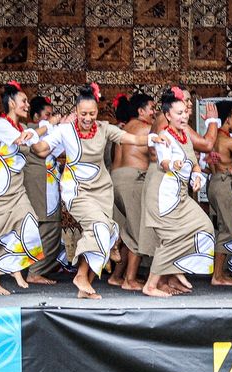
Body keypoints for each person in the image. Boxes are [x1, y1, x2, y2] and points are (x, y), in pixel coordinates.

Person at [43, 83, 166, 299]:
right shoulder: (65, 130)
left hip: (102, 191)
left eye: (92, 113)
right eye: (83, 114)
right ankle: (81, 275)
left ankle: (85, 287)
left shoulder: (104, 128)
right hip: (77, 191)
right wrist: (36, 133)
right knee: (99, 228)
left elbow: (130, 139)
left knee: (105, 233)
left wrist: (151, 138)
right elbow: (41, 149)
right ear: (76, 111)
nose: (88, 118)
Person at [0, 81, 58, 295]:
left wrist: (60, 132)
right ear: (12, 103)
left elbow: (40, 149)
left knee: (28, 223)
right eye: (24, 101)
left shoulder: (22, 127)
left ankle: (15, 267)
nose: (27, 105)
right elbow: (22, 140)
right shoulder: (1, 125)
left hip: (16, 187)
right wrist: (48, 125)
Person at [139, 87, 218, 298]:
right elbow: (164, 162)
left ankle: (176, 270)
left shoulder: (185, 136)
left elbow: (194, 163)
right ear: (167, 115)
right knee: (172, 238)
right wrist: (173, 164)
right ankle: (151, 285)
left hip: (181, 194)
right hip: (164, 193)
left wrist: (197, 176)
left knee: (204, 226)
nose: (184, 116)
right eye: (179, 113)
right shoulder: (164, 136)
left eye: (185, 112)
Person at [108, 93, 155, 290]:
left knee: (129, 230)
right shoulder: (146, 129)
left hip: (116, 179)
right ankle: (130, 280)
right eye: (152, 108)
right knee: (138, 231)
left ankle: (116, 276)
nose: (155, 112)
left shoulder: (123, 130)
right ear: (141, 111)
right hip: (132, 181)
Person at [23, 96, 65, 284]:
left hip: (48, 183)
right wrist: (56, 126)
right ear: (36, 116)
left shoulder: (46, 133)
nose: (52, 118)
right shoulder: (30, 131)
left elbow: (57, 150)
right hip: (40, 184)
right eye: (47, 115)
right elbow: (42, 150)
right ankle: (35, 272)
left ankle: (36, 270)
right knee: (47, 226)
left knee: (50, 227)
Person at [207, 100, 232, 288]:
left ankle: (222, 272)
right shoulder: (228, 141)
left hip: (214, 183)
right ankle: (218, 275)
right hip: (224, 185)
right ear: (229, 118)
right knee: (229, 229)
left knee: (226, 226)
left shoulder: (211, 138)